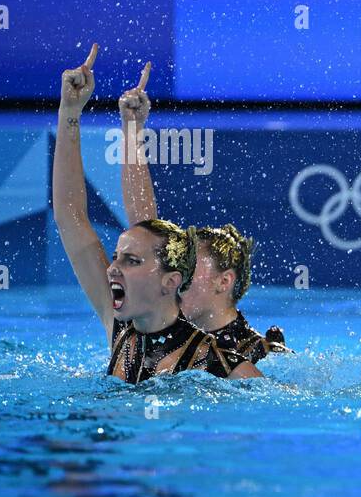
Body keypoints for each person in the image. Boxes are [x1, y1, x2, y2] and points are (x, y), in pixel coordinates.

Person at [51, 45, 259, 383]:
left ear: (171, 282)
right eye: (117, 257)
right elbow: (69, 214)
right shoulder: (120, 327)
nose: (112, 268)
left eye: (131, 261)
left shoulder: (217, 364)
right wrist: (70, 111)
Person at [117, 62, 288, 364]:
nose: (176, 274)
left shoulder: (258, 356)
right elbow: (143, 228)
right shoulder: (157, 326)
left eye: (191, 267)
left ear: (224, 281)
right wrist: (133, 129)